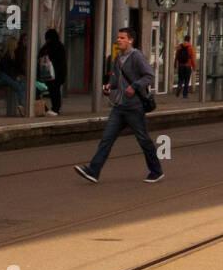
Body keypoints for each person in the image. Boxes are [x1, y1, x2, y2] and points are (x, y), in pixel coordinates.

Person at [75, 26, 163, 184]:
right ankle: (93, 171)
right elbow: (116, 80)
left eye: (122, 38)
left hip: (134, 107)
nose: (118, 40)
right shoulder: (117, 58)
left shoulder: (137, 57)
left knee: (143, 139)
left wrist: (134, 86)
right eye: (118, 37)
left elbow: (149, 75)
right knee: (106, 139)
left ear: (130, 40)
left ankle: (156, 171)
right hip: (119, 106)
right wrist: (110, 86)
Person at [37, 27, 67, 116]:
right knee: (55, 91)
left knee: (54, 91)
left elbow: (40, 55)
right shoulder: (60, 46)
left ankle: (55, 108)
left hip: (51, 73)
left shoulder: (48, 47)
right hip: (58, 73)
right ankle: (56, 108)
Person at [0, 36, 26, 118]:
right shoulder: (8, 56)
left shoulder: (10, 55)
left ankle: (22, 105)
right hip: (6, 76)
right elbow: (7, 70)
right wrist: (15, 77)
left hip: (10, 76)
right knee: (19, 87)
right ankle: (22, 105)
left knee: (22, 85)